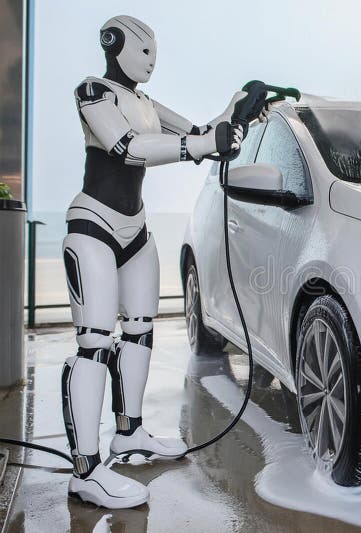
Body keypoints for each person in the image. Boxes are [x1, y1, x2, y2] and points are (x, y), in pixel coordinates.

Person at [61, 14, 262, 509]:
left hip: (136, 229)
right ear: (114, 45)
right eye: (144, 51)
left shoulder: (148, 104)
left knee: (139, 332)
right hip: (93, 225)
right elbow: (127, 148)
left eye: (156, 52)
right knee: (94, 343)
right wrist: (202, 143)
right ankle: (85, 471)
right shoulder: (94, 92)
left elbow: (201, 132)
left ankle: (128, 432)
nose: (151, 60)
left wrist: (238, 110)